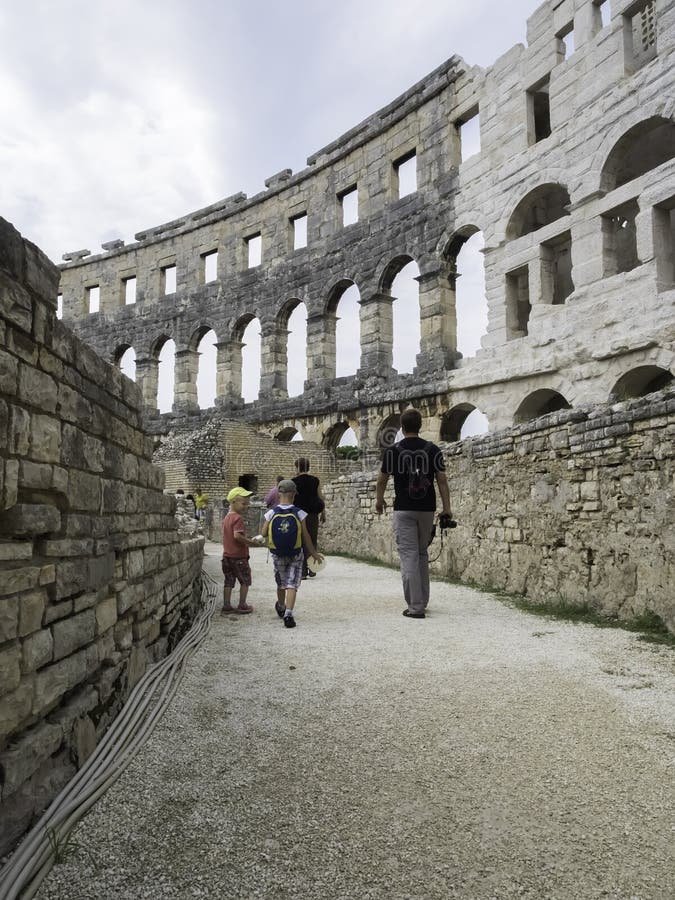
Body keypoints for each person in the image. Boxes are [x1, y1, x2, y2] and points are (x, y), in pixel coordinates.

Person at [375, 407, 452, 619]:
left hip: (404, 508)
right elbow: (442, 481)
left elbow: (382, 479)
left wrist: (379, 500)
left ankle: (415, 607)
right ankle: (422, 601)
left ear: (402, 427)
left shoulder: (393, 451)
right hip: (427, 508)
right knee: (421, 553)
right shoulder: (433, 449)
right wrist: (447, 508)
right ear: (420, 426)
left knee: (409, 555)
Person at [261, 479, 323, 629]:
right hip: (296, 554)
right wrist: (313, 553)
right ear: (294, 494)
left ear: (279, 494)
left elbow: (263, 533)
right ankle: (288, 614)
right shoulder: (299, 513)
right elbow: (306, 536)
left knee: (281, 583)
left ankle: (281, 606)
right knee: (292, 584)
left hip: (277, 554)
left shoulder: (272, 512)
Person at [220, 487, 263, 615]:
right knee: (245, 580)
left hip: (227, 556)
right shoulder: (238, 518)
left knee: (229, 581)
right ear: (233, 502)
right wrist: (251, 543)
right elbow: (237, 536)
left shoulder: (227, 517)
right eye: (244, 503)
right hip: (238, 556)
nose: (246, 506)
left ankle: (226, 605)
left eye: (247, 503)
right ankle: (242, 604)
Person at [292, 458, 326, 578]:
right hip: (312, 514)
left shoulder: (293, 482)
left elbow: (292, 499)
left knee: (300, 541)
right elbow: (320, 497)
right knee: (312, 539)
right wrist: (323, 512)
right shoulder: (315, 480)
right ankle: (312, 568)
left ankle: (302, 571)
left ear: (298, 467)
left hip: (298, 515)